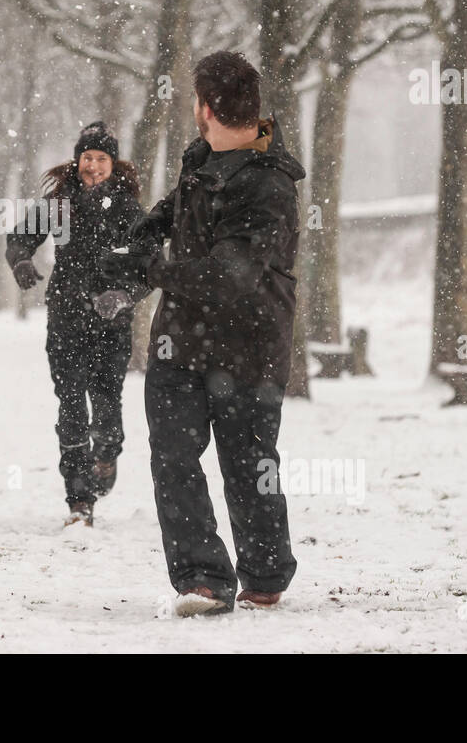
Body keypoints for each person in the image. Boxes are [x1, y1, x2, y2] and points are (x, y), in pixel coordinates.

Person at [99, 51, 304, 617]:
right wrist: (127, 254)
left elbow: (229, 276)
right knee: (173, 456)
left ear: (207, 108)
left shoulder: (269, 186)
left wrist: (151, 271)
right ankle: (204, 578)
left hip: (249, 348)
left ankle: (264, 573)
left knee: (248, 462)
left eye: (196, 100)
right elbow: (172, 214)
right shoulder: (203, 156)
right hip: (180, 344)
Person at [5, 122, 149, 528]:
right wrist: (20, 261)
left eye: (102, 159)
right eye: (88, 157)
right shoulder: (60, 203)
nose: (93, 166)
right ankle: (78, 500)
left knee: (105, 405)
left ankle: (107, 452)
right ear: (78, 159)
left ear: (113, 164)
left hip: (111, 323)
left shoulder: (126, 209)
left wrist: (122, 296)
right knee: (70, 406)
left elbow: (148, 266)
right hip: (66, 317)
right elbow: (20, 237)